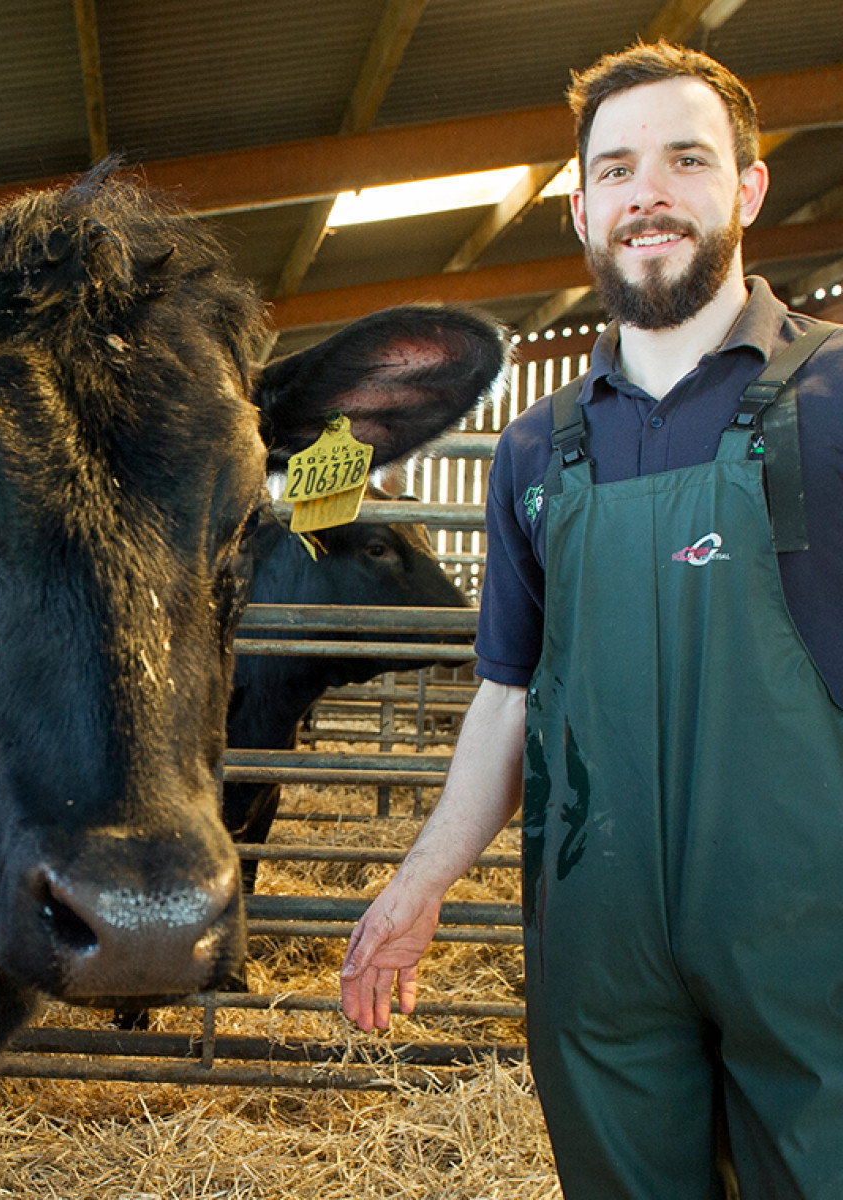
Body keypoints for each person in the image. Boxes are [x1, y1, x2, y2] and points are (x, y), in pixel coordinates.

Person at [339, 40, 843, 1200]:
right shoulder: (537, 448)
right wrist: (419, 887)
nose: (646, 194)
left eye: (684, 160)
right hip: (601, 951)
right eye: (614, 170)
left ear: (747, 188)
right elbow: (508, 693)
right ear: (580, 208)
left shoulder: (834, 397)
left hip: (812, 946)